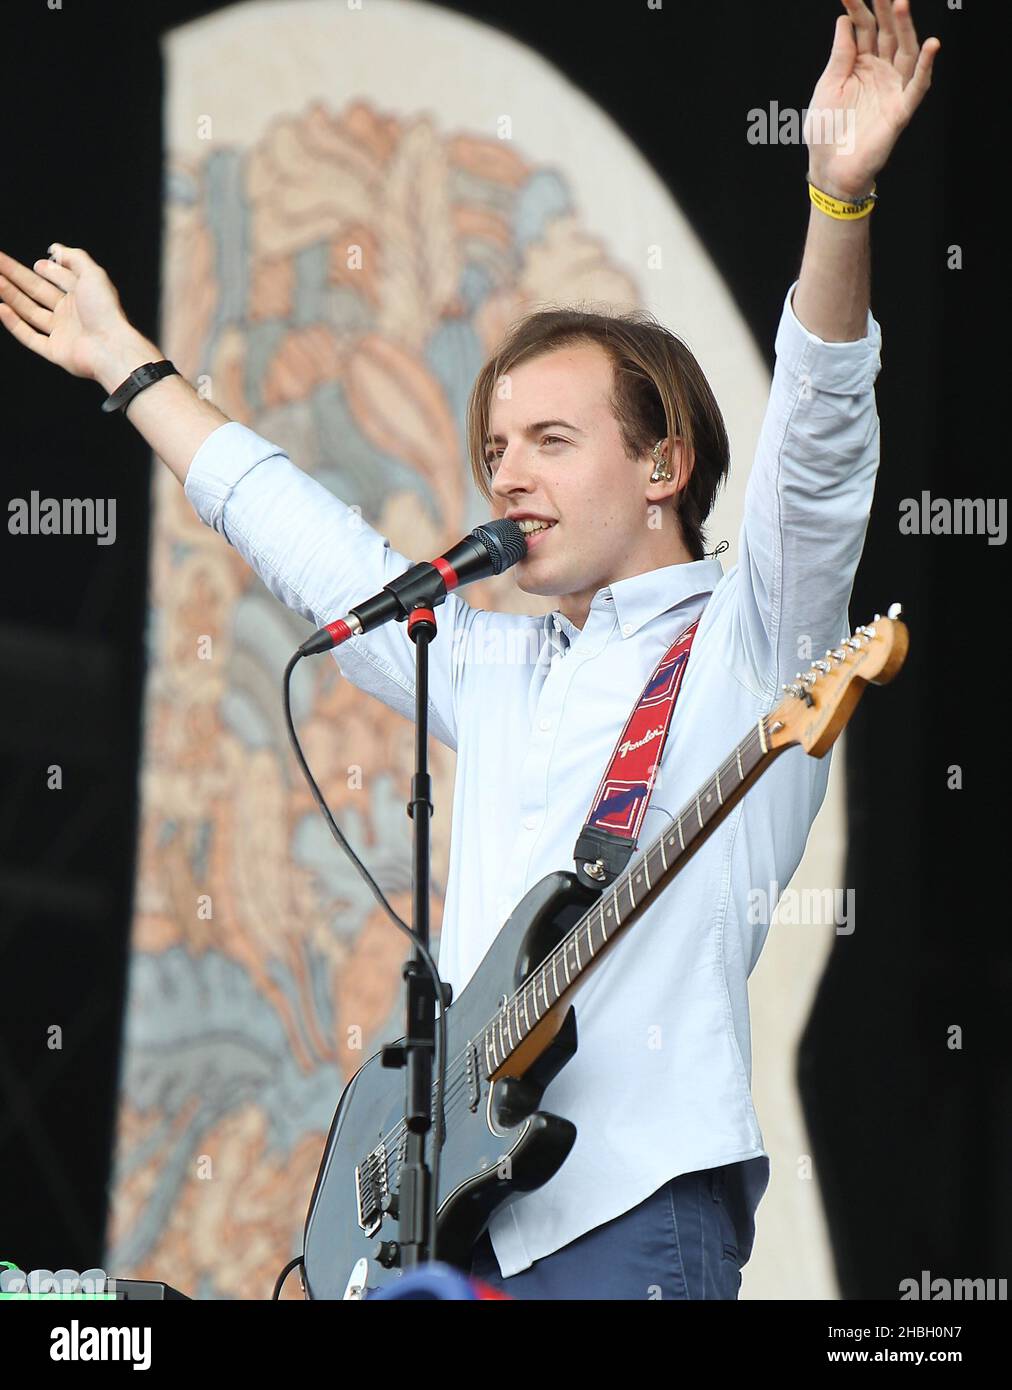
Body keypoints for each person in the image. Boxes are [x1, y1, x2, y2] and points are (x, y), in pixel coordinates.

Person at [0, 0, 937, 1300]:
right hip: (451, 1224)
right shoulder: (495, 666)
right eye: (495, 450)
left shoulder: (751, 635)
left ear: (667, 463)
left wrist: (840, 204)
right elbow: (315, 545)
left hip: (632, 1204)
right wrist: (130, 366)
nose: (510, 476)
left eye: (553, 441)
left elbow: (822, 445)